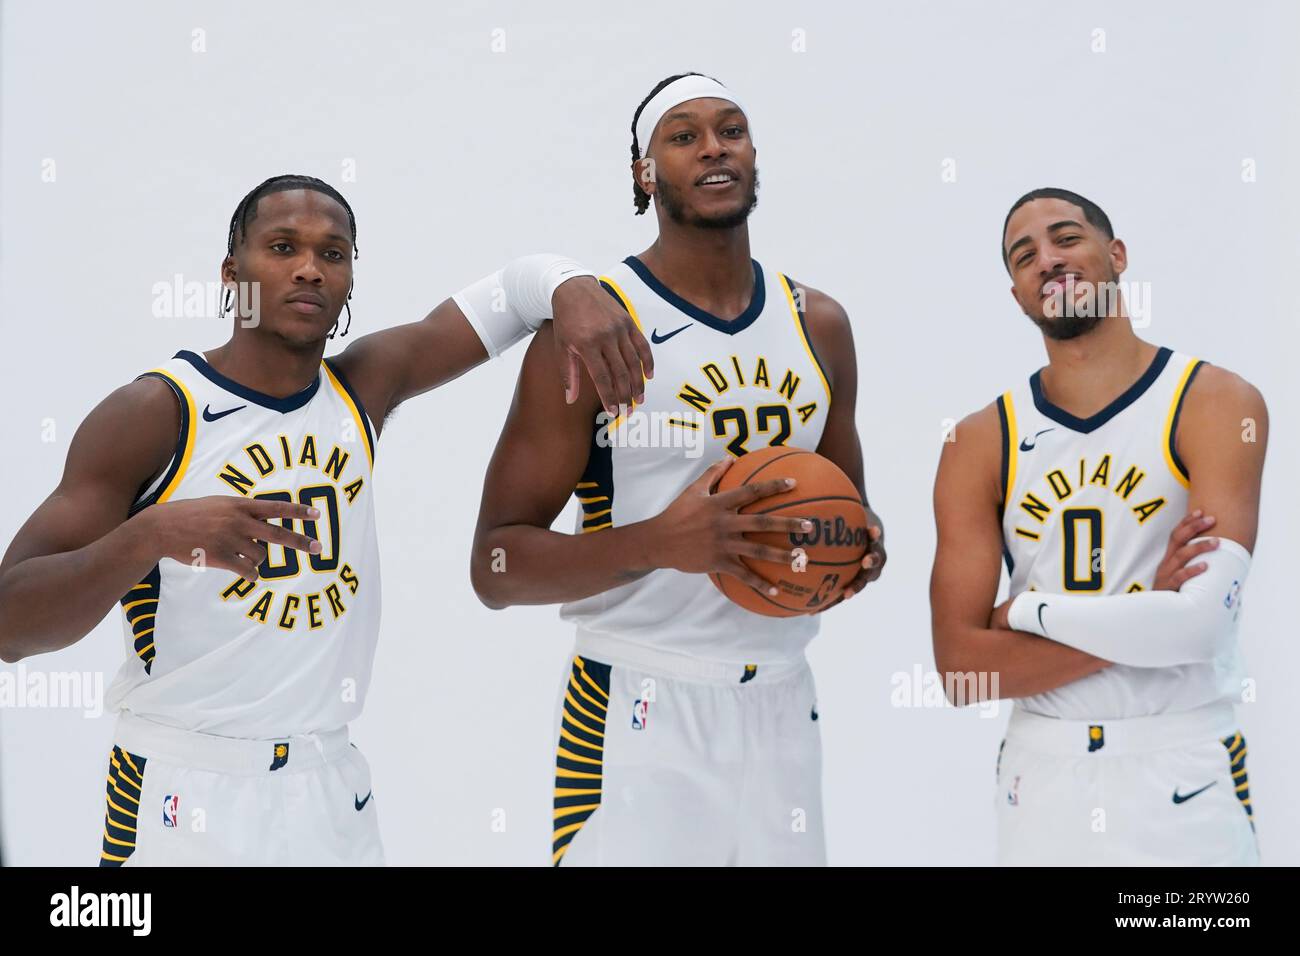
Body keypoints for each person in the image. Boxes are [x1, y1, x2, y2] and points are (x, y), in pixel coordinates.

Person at [0, 174, 650, 865]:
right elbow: (11, 624)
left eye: (333, 254)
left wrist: (573, 286)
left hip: (330, 791)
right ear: (232, 273)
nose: (310, 267)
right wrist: (152, 534)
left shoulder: (361, 385)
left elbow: (509, 297)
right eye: (283, 247)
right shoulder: (155, 413)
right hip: (183, 794)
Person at [470, 74, 886, 866]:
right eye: (683, 135)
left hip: (783, 704)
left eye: (730, 129)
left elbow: (849, 511)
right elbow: (494, 565)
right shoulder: (591, 330)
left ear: (755, 154)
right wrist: (662, 540)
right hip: (638, 704)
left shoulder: (818, 324)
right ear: (644, 172)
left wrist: (856, 551)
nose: (712, 148)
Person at [930, 187, 1267, 865]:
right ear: (1018, 293)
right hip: (1042, 774)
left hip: (1184, 765)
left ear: (1115, 256)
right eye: (1024, 256)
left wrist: (1027, 612)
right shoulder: (977, 441)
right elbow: (962, 670)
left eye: (1066, 238)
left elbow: (1201, 629)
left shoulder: (1215, 401)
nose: (1048, 261)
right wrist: (1149, 614)